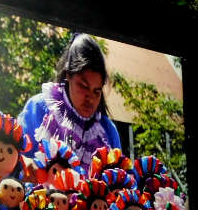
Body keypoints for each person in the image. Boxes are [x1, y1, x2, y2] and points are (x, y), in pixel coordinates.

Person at [17, 34, 121, 163]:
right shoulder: (38, 109)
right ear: (68, 76)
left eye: (97, 91)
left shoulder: (107, 131)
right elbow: (13, 163)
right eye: (83, 86)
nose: (90, 98)